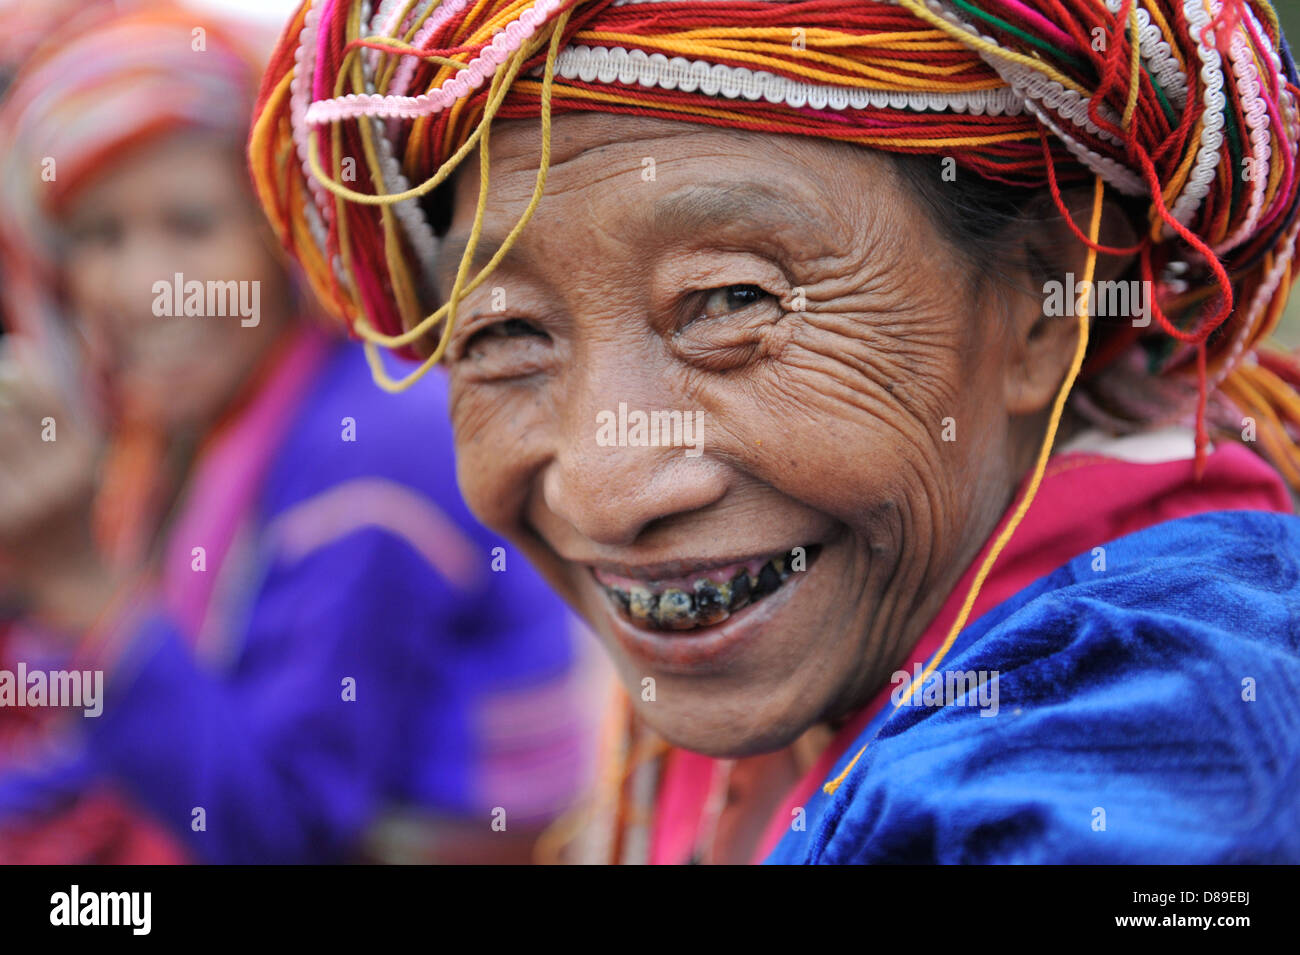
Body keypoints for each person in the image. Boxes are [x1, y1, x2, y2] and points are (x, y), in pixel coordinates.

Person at [251, 0, 1300, 864]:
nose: (605, 488)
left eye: (728, 302)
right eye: (505, 330)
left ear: (1046, 299)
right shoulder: (818, 656)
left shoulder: (1151, 730)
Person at [0, 3, 593, 864]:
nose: (141, 286)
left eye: (192, 226)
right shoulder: (182, 433)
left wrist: (81, 585)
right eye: (99, 236)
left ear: (281, 232)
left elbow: (280, 833)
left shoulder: (371, 452)